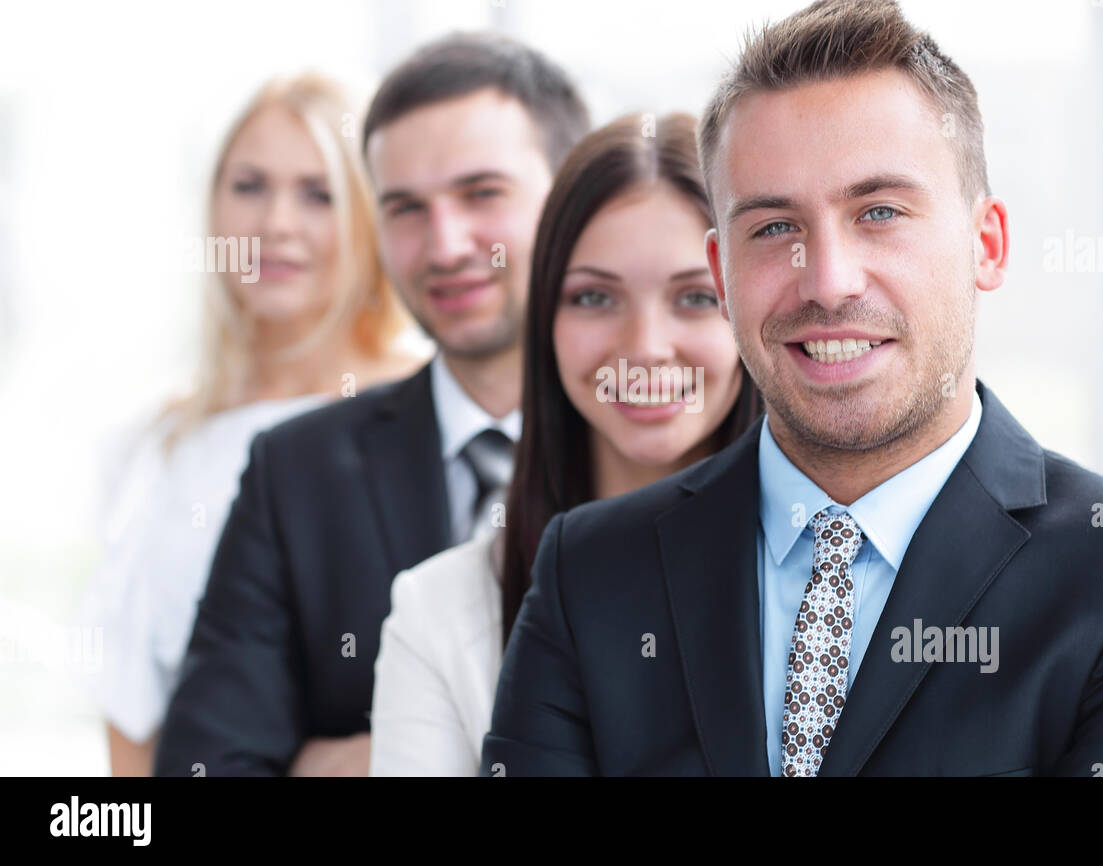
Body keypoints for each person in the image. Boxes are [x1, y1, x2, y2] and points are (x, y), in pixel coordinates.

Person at [481, 0, 1103, 777]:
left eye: (879, 212)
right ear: (722, 275)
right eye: (775, 228)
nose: (828, 282)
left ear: (986, 244)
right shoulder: (590, 574)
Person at [153, 34, 590, 776]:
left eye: (482, 193)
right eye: (406, 208)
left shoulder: (665, 441)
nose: (446, 244)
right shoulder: (295, 470)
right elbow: (207, 763)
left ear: (573, 196)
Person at [369, 113, 763, 775]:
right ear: (545, 318)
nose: (644, 348)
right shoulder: (440, 610)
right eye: (593, 297)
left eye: (695, 297)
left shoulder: (839, 572)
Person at [79, 72, 423, 776]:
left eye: (318, 193)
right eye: (249, 186)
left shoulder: (420, 412)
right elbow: (128, 707)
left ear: (368, 216)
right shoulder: (153, 443)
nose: (276, 225)